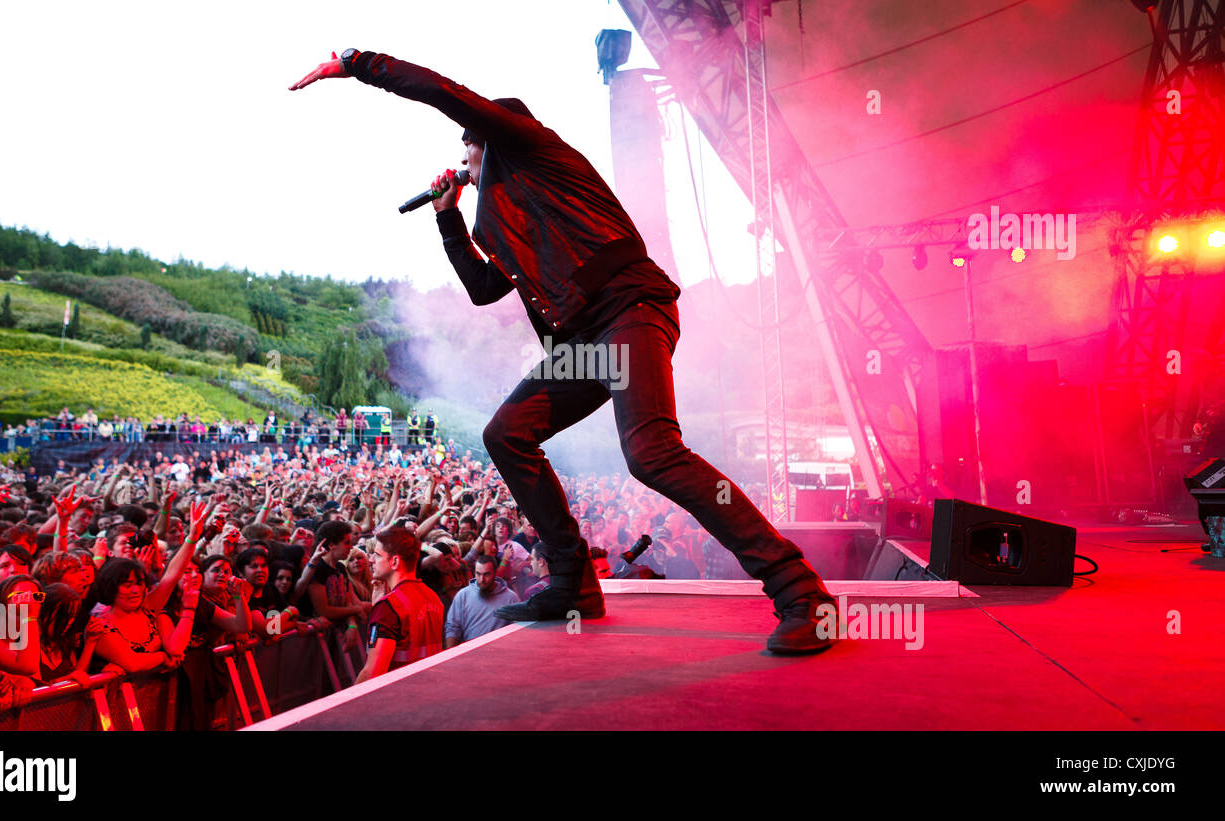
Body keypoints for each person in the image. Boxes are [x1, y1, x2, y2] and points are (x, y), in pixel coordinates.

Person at [289, 49, 835, 654]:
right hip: (585, 341)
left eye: (467, 151)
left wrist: (357, 63)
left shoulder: (529, 145)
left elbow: (445, 92)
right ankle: (572, 581)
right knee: (506, 434)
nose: (462, 165)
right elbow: (483, 288)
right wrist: (449, 220)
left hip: (627, 307)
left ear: (484, 139)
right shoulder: (503, 220)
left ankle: (801, 591)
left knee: (652, 453)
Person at [356, 526, 443, 683]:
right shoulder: (432, 597)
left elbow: (373, 672)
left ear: (394, 561)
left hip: (398, 696)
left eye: (376, 555)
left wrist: (347, 703)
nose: (370, 560)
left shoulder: (389, 607)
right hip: (430, 690)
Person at [443, 555, 519, 648]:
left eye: (486, 574)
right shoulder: (463, 595)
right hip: (469, 654)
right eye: (478, 574)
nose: (481, 579)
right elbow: (452, 627)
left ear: (495, 573)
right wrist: (450, 655)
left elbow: (516, 632)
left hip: (499, 655)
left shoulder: (510, 598)